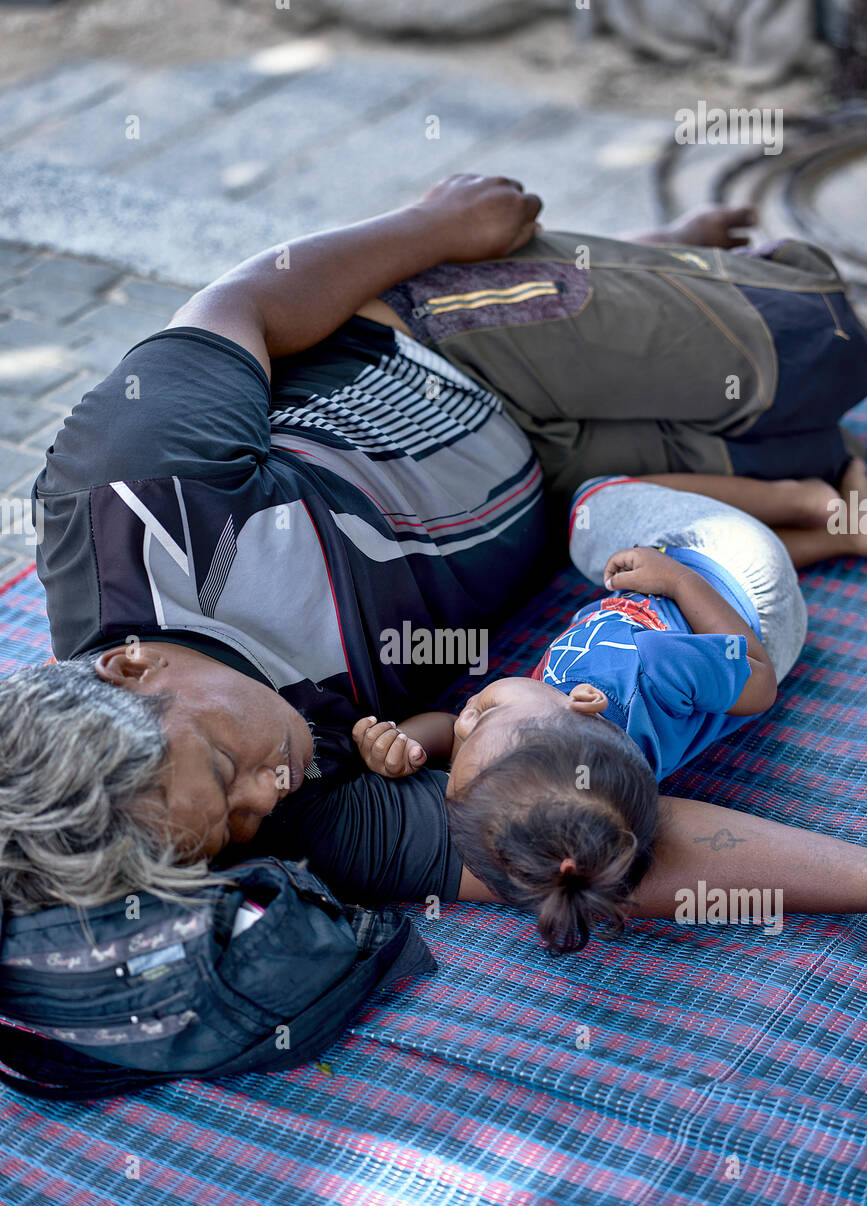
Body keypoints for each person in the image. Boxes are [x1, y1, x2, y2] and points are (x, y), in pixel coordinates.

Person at [3, 175, 867, 922]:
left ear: (129, 670)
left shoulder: (130, 496)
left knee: (820, 344)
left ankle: (623, 259)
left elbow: (240, 305)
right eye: (234, 825)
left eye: (225, 769)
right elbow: (578, 840)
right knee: (819, 461)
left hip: (451, 353)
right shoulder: (288, 813)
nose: (263, 797)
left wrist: (432, 227)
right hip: (561, 494)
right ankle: (646, 269)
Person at [353, 469, 861, 950]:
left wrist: (407, 743)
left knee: (620, 544)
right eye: (481, 716)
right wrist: (679, 579)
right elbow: (758, 676)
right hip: (751, 602)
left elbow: (452, 733)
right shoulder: (651, 669)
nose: (464, 717)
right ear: (583, 704)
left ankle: (842, 540)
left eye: (469, 731)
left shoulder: (537, 757)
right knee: (590, 502)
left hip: (726, 607)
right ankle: (806, 498)